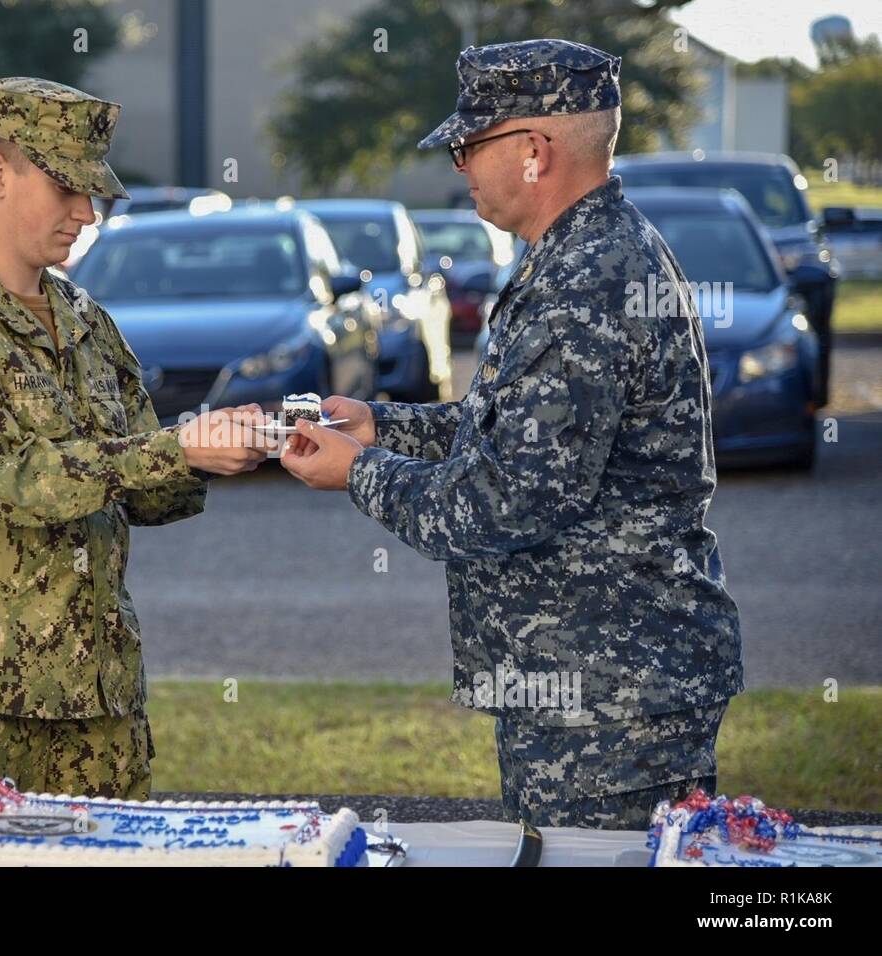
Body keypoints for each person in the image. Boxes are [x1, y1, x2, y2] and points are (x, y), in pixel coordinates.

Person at [281, 40, 744, 829]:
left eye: (470, 143)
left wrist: (360, 472)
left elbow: (505, 502)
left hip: (610, 705)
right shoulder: (583, 256)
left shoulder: (587, 279)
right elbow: (519, 432)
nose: (459, 164)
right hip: (591, 689)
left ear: (534, 152)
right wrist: (381, 423)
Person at [0, 76, 269, 810]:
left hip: (97, 696)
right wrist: (176, 448)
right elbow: (12, 479)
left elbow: (149, 490)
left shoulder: (86, 320)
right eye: (67, 187)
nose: (86, 212)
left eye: (93, 193)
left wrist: (241, 445)